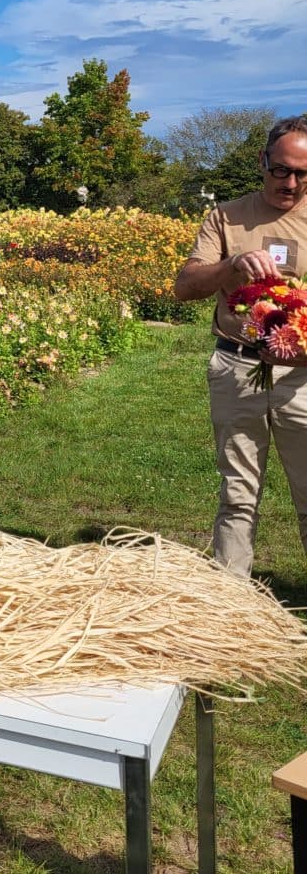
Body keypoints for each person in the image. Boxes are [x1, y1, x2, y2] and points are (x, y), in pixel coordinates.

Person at [174, 115, 307, 575]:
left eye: (302, 174)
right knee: (237, 496)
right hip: (237, 370)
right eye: (280, 170)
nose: (290, 183)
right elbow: (185, 286)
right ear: (263, 161)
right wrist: (230, 267)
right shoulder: (226, 216)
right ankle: (231, 610)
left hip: (303, 380)